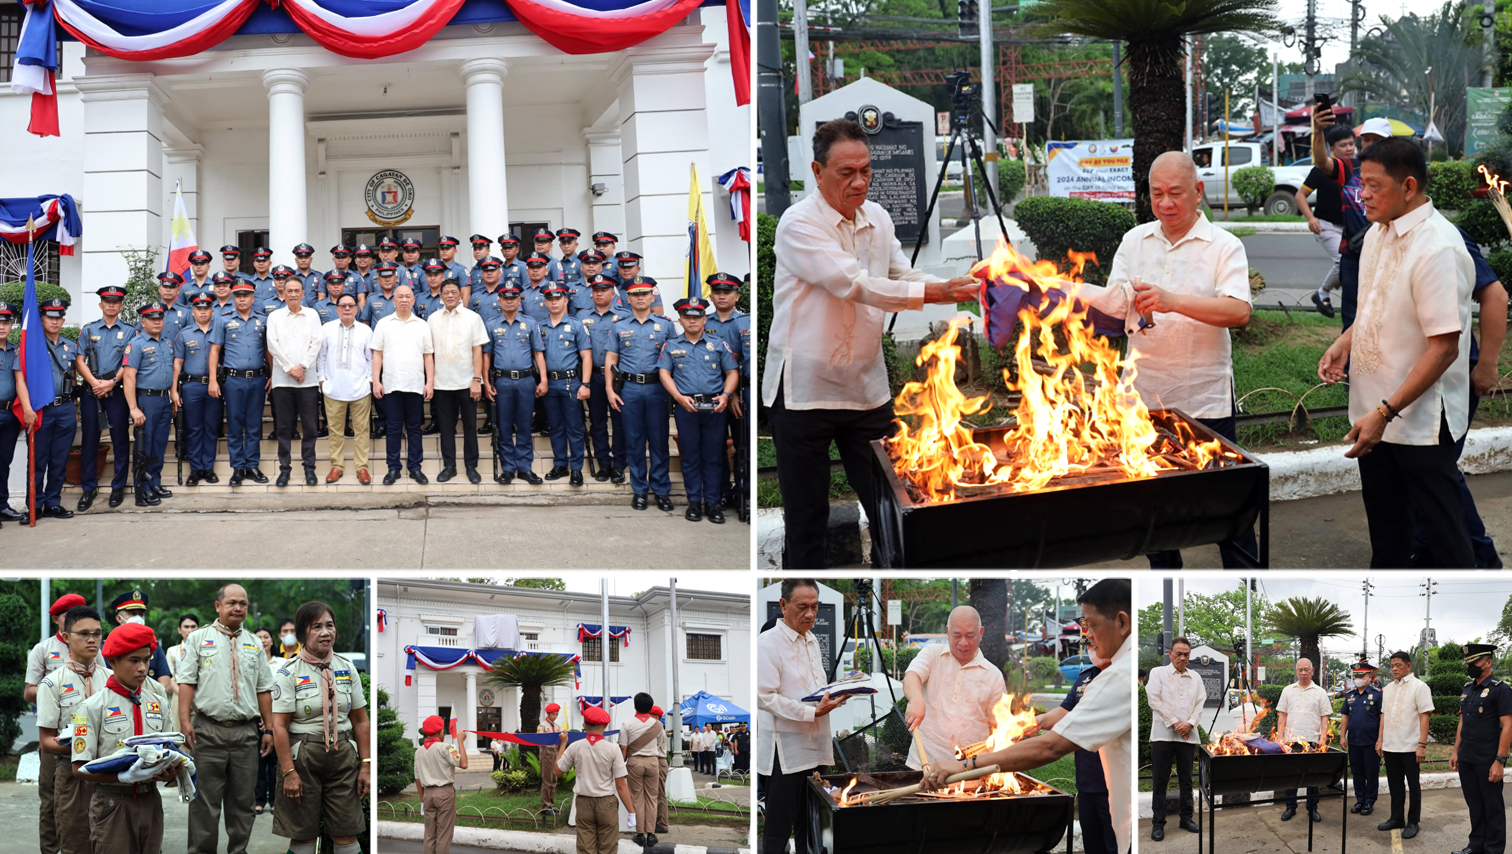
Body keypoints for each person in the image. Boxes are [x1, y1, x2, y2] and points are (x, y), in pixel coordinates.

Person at [764, 118, 978, 567]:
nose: (859, 181)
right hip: (804, 390)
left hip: (865, 387)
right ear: (817, 172)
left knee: (894, 506)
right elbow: (855, 284)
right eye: (846, 173)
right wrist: (939, 293)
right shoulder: (797, 224)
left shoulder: (878, 218)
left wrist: (959, 287)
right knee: (807, 518)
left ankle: (891, 574)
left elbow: (901, 276)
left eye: (866, 170)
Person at [1089, 151, 1257, 568]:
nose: (1165, 203)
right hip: (1144, 399)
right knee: (1153, 513)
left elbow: (1239, 312)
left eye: (1176, 193)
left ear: (1198, 192)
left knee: (1229, 514)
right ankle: (1167, 589)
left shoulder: (1223, 247)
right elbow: (1112, 305)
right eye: (1156, 193)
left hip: (1204, 400)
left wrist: (1172, 302)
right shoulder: (1135, 240)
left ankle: (1250, 594)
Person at [1316, 137, 1476, 568]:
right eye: (1360, 183)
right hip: (1374, 417)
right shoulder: (1377, 233)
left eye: (1373, 185)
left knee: (1444, 537)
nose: (1361, 194)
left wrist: (1385, 412)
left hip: (1419, 423)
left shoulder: (1437, 247)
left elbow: (1444, 348)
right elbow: (1374, 305)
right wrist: (1344, 341)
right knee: (1387, 532)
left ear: (1408, 186)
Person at [921, 579, 1133, 854]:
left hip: (1118, 802)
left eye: (1092, 625)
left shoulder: (1118, 675)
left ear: (1122, 622)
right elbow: (1064, 716)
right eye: (1084, 626)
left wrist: (964, 766)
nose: (1087, 634)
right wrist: (1025, 724)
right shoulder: (1118, 670)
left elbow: (1051, 746)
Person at [177, 583, 276, 854]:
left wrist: (268, 729)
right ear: (218, 606)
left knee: (243, 804)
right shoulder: (198, 639)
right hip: (207, 731)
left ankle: (238, 851)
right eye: (232, 602)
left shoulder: (255, 643)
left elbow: (264, 689)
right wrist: (185, 722)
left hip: (246, 734)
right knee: (204, 804)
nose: (238, 608)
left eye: (243, 604)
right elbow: (186, 682)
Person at [758, 579, 851, 854]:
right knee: (778, 827)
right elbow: (764, 696)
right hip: (785, 751)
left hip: (815, 744)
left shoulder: (811, 640)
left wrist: (832, 697)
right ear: (783, 605)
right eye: (802, 607)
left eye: (814, 606)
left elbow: (811, 690)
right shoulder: (768, 642)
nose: (810, 614)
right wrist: (811, 711)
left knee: (811, 824)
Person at [270, 600, 371, 854]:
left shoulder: (347, 668)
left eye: (330, 625)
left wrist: (366, 764)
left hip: (343, 757)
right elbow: (279, 727)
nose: (326, 632)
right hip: (302, 758)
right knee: (303, 836)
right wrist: (289, 772)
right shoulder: (288, 672)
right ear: (303, 633)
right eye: (317, 627)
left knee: (346, 832)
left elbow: (360, 720)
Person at [70, 622, 178, 854]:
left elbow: (171, 751)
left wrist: (170, 771)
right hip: (112, 804)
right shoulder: (92, 707)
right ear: (113, 662)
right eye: (134, 660)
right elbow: (79, 768)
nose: (142, 668)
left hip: (151, 801)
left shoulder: (158, 702)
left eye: (147, 660)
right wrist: (125, 776)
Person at [1309, 112, 1396, 329]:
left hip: (1388, 255)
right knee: (1351, 316)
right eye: (1367, 139)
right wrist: (1318, 131)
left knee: (1385, 315)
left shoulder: (1400, 173)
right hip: (1353, 255)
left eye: (1378, 140)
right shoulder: (1349, 167)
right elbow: (1321, 162)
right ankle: (1350, 362)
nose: (1370, 145)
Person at [901, 606, 1006, 774]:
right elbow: (911, 676)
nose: (963, 643)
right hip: (923, 765)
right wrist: (916, 700)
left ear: (981, 633)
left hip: (969, 773)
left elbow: (998, 729)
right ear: (948, 631)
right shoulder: (932, 654)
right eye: (957, 635)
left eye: (970, 636)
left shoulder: (993, 676)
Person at [659, 297, 738, 521]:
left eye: (696, 317)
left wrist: (726, 395)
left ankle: (712, 503)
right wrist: (677, 397)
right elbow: (664, 372)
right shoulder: (671, 345)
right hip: (687, 407)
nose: (692, 321)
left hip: (715, 407)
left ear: (704, 319)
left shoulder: (718, 344)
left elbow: (732, 373)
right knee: (690, 456)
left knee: (714, 456)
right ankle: (694, 501)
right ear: (680, 320)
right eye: (687, 317)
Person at [1035, 643, 1117, 854]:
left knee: (1115, 846)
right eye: (1089, 642)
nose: (1092, 644)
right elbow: (1064, 711)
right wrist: (1033, 722)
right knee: (1093, 845)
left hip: (1113, 784)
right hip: (1087, 780)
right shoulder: (1085, 676)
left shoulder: (1119, 678)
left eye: (1095, 639)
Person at [36, 604, 102, 854]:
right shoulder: (52, 683)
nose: (91, 639)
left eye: (97, 633)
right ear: (66, 637)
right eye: (83, 633)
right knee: (75, 841)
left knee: (107, 840)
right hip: (71, 771)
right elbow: (46, 741)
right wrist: (81, 745)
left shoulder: (110, 679)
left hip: (107, 770)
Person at [26, 593, 89, 854]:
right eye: (69, 615)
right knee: (52, 800)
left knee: (89, 799)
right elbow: (29, 691)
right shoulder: (43, 649)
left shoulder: (92, 647)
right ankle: (51, 850)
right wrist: (54, 688)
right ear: (56, 619)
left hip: (90, 736)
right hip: (56, 736)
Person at [606, 278, 675, 511]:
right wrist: (609, 390)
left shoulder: (665, 325)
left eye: (645, 293)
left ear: (652, 296)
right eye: (635, 294)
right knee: (634, 442)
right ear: (628, 298)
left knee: (658, 441)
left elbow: (675, 357)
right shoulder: (618, 325)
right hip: (630, 389)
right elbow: (611, 360)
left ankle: (662, 491)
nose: (640, 298)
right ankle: (640, 491)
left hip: (657, 389)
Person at [16, 297, 80, 519]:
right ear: (41, 319)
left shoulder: (71, 347)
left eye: (58, 317)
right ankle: (34, 505)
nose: (54, 322)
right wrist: (26, 409)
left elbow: (74, 377)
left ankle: (53, 502)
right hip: (40, 410)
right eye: (50, 317)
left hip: (64, 409)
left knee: (59, 459)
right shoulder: (30, 346)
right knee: (37, 460)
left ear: (63, 320)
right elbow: (21, 379)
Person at [75, 284, 136, 511]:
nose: (111, 305)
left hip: (117, 390)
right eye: (107, 301)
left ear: (121, 305)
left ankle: (118, 486)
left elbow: (129, 362)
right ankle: (88, 488)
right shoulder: (89, 330)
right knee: (90, 438)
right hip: (92, 391)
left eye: (115, 302)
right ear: (101, 304)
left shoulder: (129, 331)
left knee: (120, 438)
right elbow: (80, 360)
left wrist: (112, 382)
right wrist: (94, 383)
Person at [371, 284, 436, 486]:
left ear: (414, 300)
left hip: (416, 385)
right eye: (400, 296)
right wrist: (376, 381)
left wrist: (430, 382)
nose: (404, 300)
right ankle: (393, 468)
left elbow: (428, 356)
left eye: (408, 296)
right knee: (393, 428)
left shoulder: (422, 325)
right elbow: (377, 355)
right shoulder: (383, 323)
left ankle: (415, 468)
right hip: (391, 385)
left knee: (414, 428)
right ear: (394, 300)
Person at [426, 277, 489, 484]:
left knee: (470, 426)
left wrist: (476, 379)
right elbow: (429, 353)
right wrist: (431, 381)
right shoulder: (433, 319)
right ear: (441, 296)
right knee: (445, 426)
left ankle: (471, 466)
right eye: (446, 293)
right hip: (442, 383)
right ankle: (449, 466)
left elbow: (477, 349)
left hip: (466, 382)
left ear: (461, 295)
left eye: (454, 292)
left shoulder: (472, 318)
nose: (450, 295)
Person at [1451, 643, 1512, 854]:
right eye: (1468, 662)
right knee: (1475, 805)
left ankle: (1493, 850)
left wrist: (1500, 760)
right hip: (1467, 757)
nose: (1470, 666)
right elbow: (1462, 722)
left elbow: (1508, 726)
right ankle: (1475, 846)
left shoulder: (1501, 689)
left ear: (1488, 662)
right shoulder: (1468, 689)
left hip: (1488, 759)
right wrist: (1455, 751)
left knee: (1492, 807)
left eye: (1474, 661)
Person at [209, 281, 271, 486]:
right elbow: (215, 351)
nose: (242, 299)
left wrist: (272, 375)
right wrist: (212, 380)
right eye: (238, 296)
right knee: (235, 424)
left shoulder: (263, 320)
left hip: (257, 379)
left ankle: (252, 465)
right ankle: (237, 467)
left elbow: (268, 351)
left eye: (246, 295)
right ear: (233, 299)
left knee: (254, 424)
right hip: (233, 380)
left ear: (253, 298)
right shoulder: (222, 320)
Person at [484, 283, 546, 485]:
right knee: (503, 426)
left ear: (519, 300)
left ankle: (525, 467)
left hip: (526, 381)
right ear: (499, 301)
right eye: (505, 298)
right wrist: (486, 381)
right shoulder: (492, 324)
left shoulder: (529, 323)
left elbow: (538, 353)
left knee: (524, 425)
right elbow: (486, 355)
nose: (509, 301)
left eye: (513, 298)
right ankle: (508, 468)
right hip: (502, 381)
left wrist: (543, 379)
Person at [267, 276, 325, 487]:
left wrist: (302, 367)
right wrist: (290, 369)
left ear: (302, 293)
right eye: (288, 290)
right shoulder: (274, 317)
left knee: (310, 427)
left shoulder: (312, 315)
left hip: (307, 381)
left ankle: (309, 469)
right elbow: (272, 345)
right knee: (283, 428)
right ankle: (285, 470)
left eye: (296, 291)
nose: (292, 294)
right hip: (282, 382)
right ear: (283, 293)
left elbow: (317, 342)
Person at [1145, 636, 1203, 841]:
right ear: (1170, 653)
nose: (1182, 658)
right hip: (1162, 735)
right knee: (1160, 780)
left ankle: (1186, 818)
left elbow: (1200, 703)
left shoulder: (1195, 677)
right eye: (1178, 654)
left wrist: (1189, 724)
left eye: (1186, 654)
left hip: (1188, 736)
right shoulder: (1158, 673)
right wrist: (1175, 723)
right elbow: (1154, 700)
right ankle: (1158, 823)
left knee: (1186, 779)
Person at [558, 703, 635, 854]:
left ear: (584, 725)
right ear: (606, 725)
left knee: (585, 848)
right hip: (606, 803)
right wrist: (631, 811)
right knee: (608, 847)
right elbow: (621, 785)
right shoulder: (613, 749)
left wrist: (562, 744)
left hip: (583, 802)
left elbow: (557, 771)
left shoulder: (575, 747)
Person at [122, 302, 177, 507]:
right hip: (145, 401)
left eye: (160, 318)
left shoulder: (167, 343)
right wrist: (133, 408)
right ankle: (142, 487)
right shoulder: (135, 344)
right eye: (152, 319)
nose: (157, 322)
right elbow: (129, 378)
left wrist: (171, 398)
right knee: (144, 445)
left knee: (160, 444)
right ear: (142, 321)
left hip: (163, 400)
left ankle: (154, 481)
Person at [703, 272, 750, 507]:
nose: (721, 296)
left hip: (740, 393)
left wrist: (732, 393)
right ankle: (721, 491)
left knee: (744, 444)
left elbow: (746, 362)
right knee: (716, 446)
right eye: (717, 292)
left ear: (736, 296)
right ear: (710, 296)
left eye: (727, 292)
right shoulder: (702, 322)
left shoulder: (747, 322)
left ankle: (746, 491)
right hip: (711, 394)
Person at [319, 292, 375, 484]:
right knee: (335, 431)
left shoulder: (365, 331)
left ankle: (362, 468)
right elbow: (321, 356)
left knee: (362, 431)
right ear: (337, 309)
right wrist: (322, 381)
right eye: (343, 306)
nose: (347, 309)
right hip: (333, 388)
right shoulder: (326, 329)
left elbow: (371, 359)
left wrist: (369, 381)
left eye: (351, 305)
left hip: (360, 389)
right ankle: (336, 466)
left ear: (357, 308)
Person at [539, 284, 592, 486]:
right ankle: (560, 464)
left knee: (575, 427)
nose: (554, 302)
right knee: (556, 426)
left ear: (565, 300)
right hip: (550, 383)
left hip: (572, 382)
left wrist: (586, 384)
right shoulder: (540, 326)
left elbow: (586, 356)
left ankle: (576, 468)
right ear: (545, 302)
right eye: (550, 299)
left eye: (558, 298)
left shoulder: (577, 325)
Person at [1301, 124, 1356, 318]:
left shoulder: (1356, 168)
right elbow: (1300, 196)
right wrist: (1310, 218)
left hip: (1349, 228)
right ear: (1332, 149)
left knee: (1354, 264)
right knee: (1342, 261)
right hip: (1326, 226)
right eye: (1343, 145)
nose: (1349, 148)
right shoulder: (1322, 170)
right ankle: (1322, 292)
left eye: (1351, 143)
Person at [1378, 650, 1432, 839]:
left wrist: (1422, 745)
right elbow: (1383, 715)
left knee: (1413, 786)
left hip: (1410, 747)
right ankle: (1396, 818)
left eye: (1398, 665)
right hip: (1390, 746)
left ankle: (1413, 822)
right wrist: (1380, 740)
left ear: (1408, 666)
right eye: (1392, 666)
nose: (1394, 669)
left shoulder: (1420, 687)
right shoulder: (1388, 688)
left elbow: (1424, 716)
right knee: (1395, 785)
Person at [578, 275, 626, 483]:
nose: (599, 293)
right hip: (594, 376)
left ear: (613, 292)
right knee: (597, 422)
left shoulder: (624, 317)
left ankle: (619, 464)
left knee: (619, 422)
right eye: (596, 289)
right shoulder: (581, 316)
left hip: (618, 378)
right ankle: (604, 463)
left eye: (604, 289)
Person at [173, 293, 222, 486]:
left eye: (206, 309)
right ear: (193, 312)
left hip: (214, 386)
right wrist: (174, 390)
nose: (203, 312)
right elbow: (177, 363)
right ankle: (195, 469)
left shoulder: (219, 331)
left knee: (211, 428)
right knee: (193, 428)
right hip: (191, 386)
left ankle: (208, 468)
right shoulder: (184, 334)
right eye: (199, 309)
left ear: (212, 311)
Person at [1276, 658, 1333, 822]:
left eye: (1306, 670)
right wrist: (1280, 737)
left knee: (1312, 777)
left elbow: (1324, 717)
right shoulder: (1288, 690)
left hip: (1313, 741)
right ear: (1296, 671)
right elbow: (1282, 716)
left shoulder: (1320, 692)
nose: (1303, 673)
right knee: (1290, 776)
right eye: (1300, 669)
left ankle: (1312, 808)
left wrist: (1323, 738)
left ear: (1312, 671)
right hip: (1290, 741)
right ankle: (1290, 807)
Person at [415, 714, 466, 854]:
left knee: (429, 835)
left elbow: (418, 780)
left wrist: (422, 801)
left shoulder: (418, 752)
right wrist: (461, 742)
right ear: (440, 731)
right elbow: (464, 763)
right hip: (444, 793)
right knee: (443, 835)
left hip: (427, 795)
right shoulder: (446, 748)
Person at [1340, 660, 1383, 817]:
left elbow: (1382, 718)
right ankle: (1360, 799)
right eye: (1356, 675)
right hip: (1354, 741)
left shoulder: (1377, 695)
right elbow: (1345, 716)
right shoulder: (1350, 696)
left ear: (1369, 675)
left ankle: (1369, 801)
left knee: (1371, 773)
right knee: (1357, 772)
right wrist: (1342, 736)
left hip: (1371, 742)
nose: (1358, 678)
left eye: (1361, 675)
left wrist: (1380, 739)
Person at [621, 692, 663, 847]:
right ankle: (651, 834)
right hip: (652, 762)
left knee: (637, 798)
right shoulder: (658, 724)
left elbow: (623, 748)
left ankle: (640, 834)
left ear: (635, 706)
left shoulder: (627, 724)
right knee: (652, 797)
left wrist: (621, 765)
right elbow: (659, 742)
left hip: (634, 763)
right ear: (650, 707)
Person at [0, 302, 23, 525]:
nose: (1, 326)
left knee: (4, 462)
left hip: (9, 414)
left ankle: (2, 505)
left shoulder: (16, 351)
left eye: (5, 322)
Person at [538, 702, 565, 814]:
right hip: (547, 752)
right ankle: (545, 806)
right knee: (547, 780)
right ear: (548, 714)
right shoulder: (542, 726)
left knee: (554, 779)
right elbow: (539, 740)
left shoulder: (557, 726)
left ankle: (551, 805)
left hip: (555, 752)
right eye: (553, 714)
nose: (555, 716)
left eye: (557, 714)